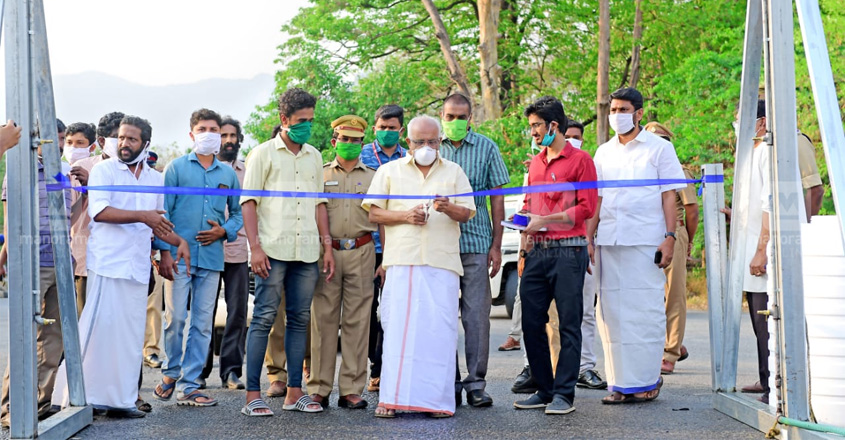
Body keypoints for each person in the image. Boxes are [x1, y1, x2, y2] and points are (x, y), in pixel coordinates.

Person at [52, 116, 190, 418]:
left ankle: (122, 400)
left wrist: (175, 245)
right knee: (97, 329)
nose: (124, 144)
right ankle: (69, 394)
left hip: (138, 266)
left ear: (145, 144)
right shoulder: (104, 170)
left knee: (129, 337)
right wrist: (144, 216)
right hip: (108, 263)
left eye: (132, 139)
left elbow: (158, 222)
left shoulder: (156, 178)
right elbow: (100, 212)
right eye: (121, 138)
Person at [362, 115, 476, 419]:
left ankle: (437, 401)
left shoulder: (454, 172)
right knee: (398, 330)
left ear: (440, 142)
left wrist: (449, 208)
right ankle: (391, 399)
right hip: (402, 261)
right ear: (407, 142)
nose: (426, 147)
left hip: (441, 263)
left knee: (439, 332)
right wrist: (404, 216)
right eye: (419, 142)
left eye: (431, 141)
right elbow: (373, 213)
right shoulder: (389, 171)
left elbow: (468, 212)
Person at [240, 88, 335, 416]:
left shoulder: (314, 155)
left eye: (311, 120)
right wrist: (255, 248)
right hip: (273, 249)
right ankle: (253, 396)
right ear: (284, 120)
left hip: (307, 250)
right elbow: (249, 203)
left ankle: (295, 392)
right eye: (301, 121)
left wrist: (327, 246)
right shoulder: (262, 154)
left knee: (299, 319)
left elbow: (320, 203)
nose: (307, 126)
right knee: (264, 319)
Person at [588, 87, 686, 404]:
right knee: (611, 313)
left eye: (623, 109)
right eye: (613, 109)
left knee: (644, 310)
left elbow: (669, 195)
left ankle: (646, 380)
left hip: (646, 239)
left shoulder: (659, 149)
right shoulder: (603, 152)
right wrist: (588, 237)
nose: (617, 115)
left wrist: (669, 237)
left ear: (639, 113)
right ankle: (619, 383)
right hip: (609, 240)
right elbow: (597, 199)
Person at [512, 97, 597, 416]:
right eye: (531, 125)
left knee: (569, 324)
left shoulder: (581, 160)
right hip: (537, 253)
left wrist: (545, 220)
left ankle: (564, 394)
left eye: (536, 125)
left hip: (569, 251)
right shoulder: (535, 163)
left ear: (554, 126)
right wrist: (523, 230)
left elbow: (586, 208)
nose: (532, 131)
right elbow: (529, 204)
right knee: (531, 322)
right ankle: (544, 389)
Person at [154, 109, 243, 407]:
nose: (210, 133)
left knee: (203, 323)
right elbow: (162, 212)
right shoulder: (176, 169)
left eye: (214, 129)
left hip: (212, 257)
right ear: (192, 134)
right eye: (203, 128)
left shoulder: (228, 174)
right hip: (179, 256)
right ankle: (171, 371)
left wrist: (225, 231)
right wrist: (163, 250)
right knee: (176, 318)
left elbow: (239, 213)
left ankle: (190, 385)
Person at [438, 94, 509, 408]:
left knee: (477, 317)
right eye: (450, 116)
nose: (455, 122)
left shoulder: (486, 147)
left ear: (471, 118)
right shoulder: (430, 148)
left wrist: (496, 245)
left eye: (461, 116)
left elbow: (497, 199)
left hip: (476, 243)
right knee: (441, 318)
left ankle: (476, 384)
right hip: (437, 246)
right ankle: (447, 382)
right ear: (442, 116)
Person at [0, 124, 73, 427]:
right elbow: (10, 216)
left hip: (61, 260)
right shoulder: (20, 170)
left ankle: (41, 401)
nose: (56, 143)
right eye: (50, 138)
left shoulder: (64, 172)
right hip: (31, 261)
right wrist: (4, 256)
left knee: (53, 337)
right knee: (25, 336)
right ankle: (9, 408)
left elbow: (73, 216)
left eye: (60, 139)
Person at [308, 115, 377, 410]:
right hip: (328, 252)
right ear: (334, 141)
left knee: (358, 321)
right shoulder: (319, 174)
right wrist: (324, 248)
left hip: (362, 250)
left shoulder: (375, 176)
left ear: (363, 143)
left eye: (356, 140)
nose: (350, 145)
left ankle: (351, 388)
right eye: (344, 139)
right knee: (322, 320)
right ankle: (319, 388)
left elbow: (380, 215)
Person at [643, 122, 698, 375]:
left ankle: (670, 352)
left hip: (673, 232)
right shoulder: (643, 168)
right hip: (646, 232)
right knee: (649, 294)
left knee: (672, 294)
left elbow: (691, 211)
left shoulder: (678, 171)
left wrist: (687, 241)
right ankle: (672, 343)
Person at [359, 104, 407, 393]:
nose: (387, 132)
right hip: (366, 244)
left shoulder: (410, 158)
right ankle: (373, 364)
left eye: (392, 128)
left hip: (398, 244)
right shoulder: (361, 155)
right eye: (382, 127)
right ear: (374, 128)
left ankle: (383, 369)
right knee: (366, 310)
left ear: (401, 129)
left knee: (393, 309)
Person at [200, 116, 250, 390]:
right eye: (224, 135)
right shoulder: (203, 170)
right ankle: (200, 370)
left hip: (238, 250)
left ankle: (231, 372)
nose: (229, 140)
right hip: (207, 248)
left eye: (233, 136)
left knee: (237, 312)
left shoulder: (247, 170)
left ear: (239, 140)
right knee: (204, 311)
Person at [69, 112, 125, 315]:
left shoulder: (132, 170)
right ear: (102, 141)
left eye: (127, 137)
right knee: (85, 318)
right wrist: (89, 188)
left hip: (120, 258)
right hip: (86, 257)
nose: (123, 142)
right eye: (118, 137)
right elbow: (71, 215)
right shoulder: (81, 168)